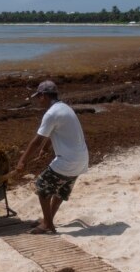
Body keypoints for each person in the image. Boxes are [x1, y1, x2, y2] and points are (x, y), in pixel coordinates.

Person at [14, 80, 89, 235]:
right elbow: (52, 134)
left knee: (42, 186)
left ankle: (47, 224)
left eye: (38, 97)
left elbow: (37, 141)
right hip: (81, 159)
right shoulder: (65, 108)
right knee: (59, 190)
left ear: (44, 96)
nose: (38, 100)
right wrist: (46, 149)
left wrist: (22, 161)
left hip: (68, 160)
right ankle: (47, 221)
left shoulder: (51, 113)